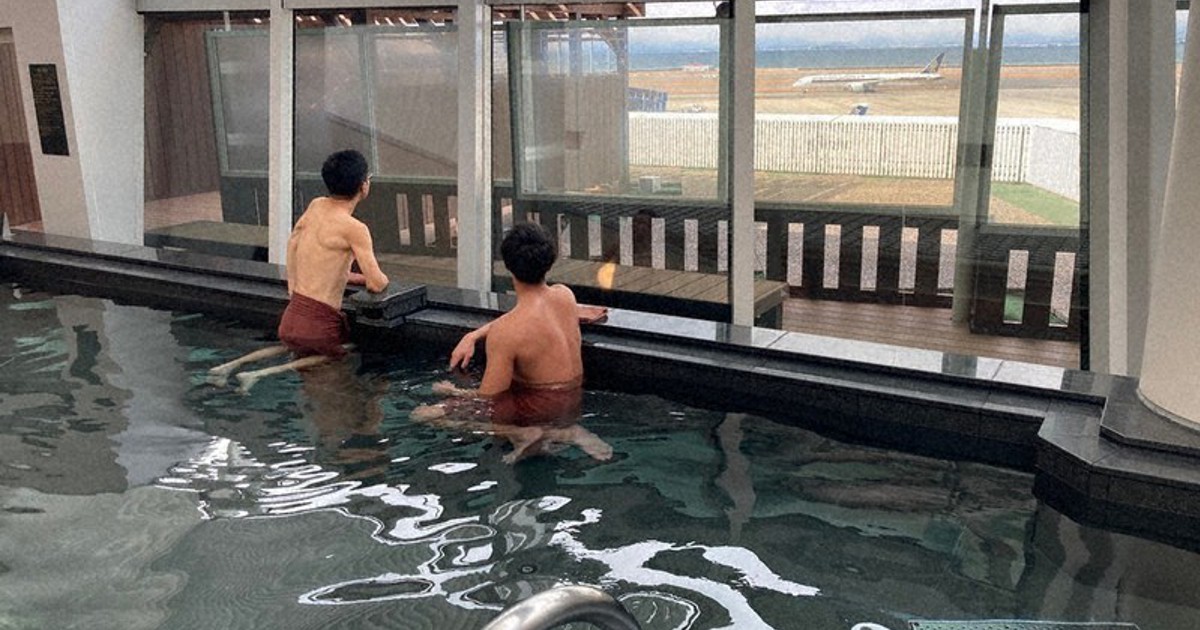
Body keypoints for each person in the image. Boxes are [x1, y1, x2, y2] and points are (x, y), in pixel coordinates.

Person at [411, 222, 611, 463]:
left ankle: (525, 434)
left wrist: (459, 393)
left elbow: (489, 399)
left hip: (538, 411)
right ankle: (566, 431)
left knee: (422, 414)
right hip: (572, 400)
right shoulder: (565, 296)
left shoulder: (506, 333)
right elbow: (527, 320)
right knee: (448, 392)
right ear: (550, 259)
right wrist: (474, 335)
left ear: (508, 266)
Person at [208, 149, 389, 392]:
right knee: (342, 353)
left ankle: (230, 366)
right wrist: (380, 278)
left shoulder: (316, 206)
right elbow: (377, 284)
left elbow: (294, 243)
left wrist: (293, 285)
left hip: (294, 311)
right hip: (319, 323)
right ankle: (260, 373)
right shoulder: (355, 228)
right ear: (363, 186)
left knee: (290, 345)